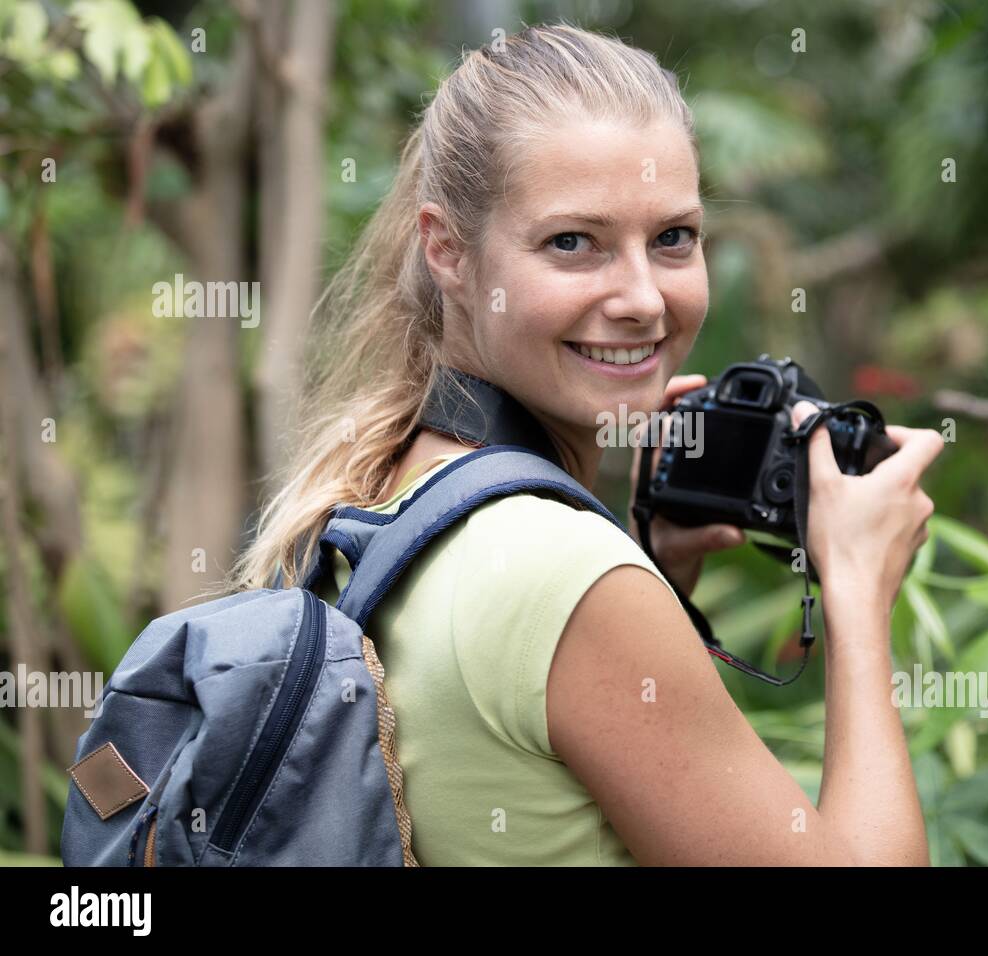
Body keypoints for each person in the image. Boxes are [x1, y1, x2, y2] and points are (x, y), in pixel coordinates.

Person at [228, 23, 943, 866]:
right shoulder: (568, 576)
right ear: (447, 249)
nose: (642, 298)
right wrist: (857, 590)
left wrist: (654, 574)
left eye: (673, 238)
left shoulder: (383, 494)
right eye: (574, 243)